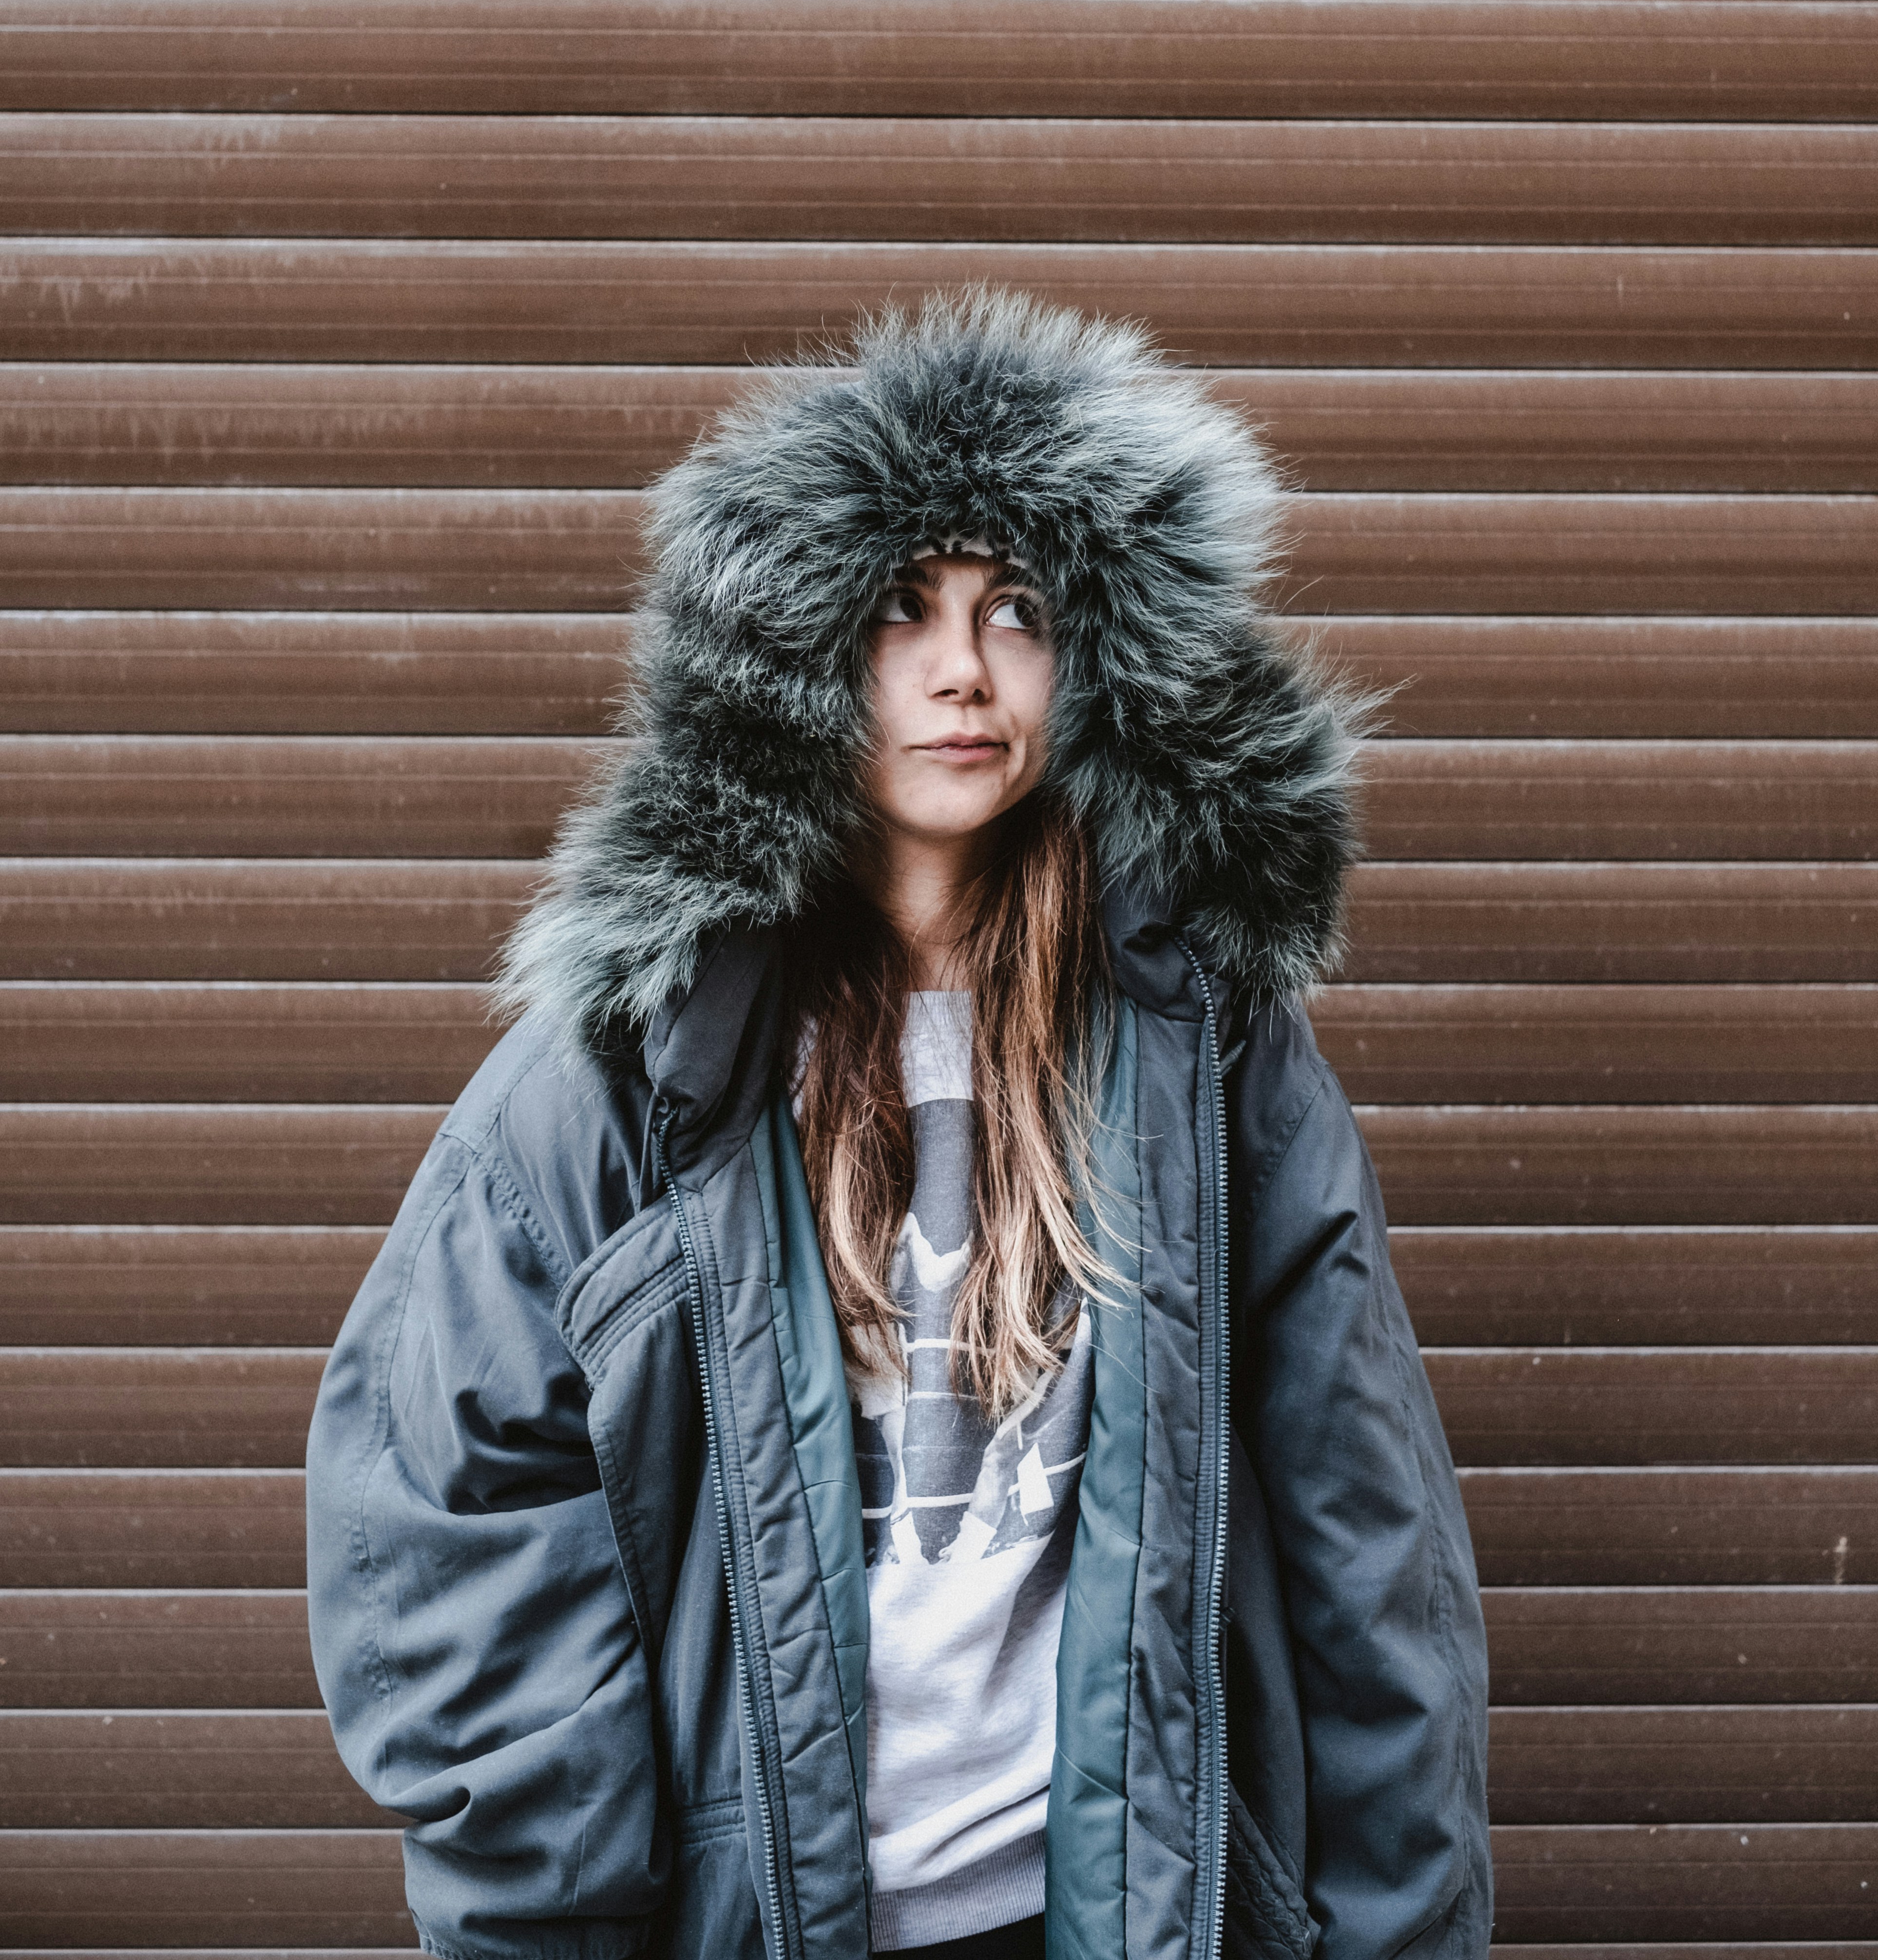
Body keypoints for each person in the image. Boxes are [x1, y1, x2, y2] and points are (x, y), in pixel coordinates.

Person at [307, 292, 1491, 1960]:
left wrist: (1403, 1923)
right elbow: (442, 1499)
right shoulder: (646, 1063)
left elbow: (1367, 1530)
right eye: (898, 607)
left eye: (1015, 608)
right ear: (798, 651)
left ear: (1095, 649)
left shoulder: (1197, 1043)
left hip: (1110, 1912)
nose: (959, 668)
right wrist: (562, 1901)